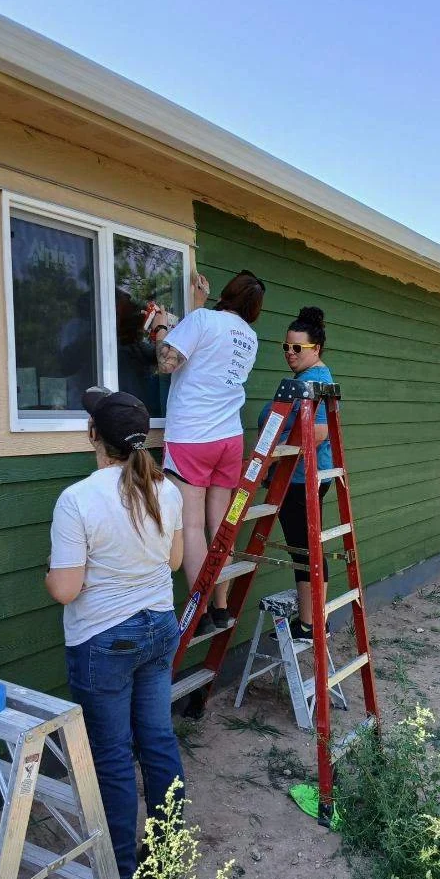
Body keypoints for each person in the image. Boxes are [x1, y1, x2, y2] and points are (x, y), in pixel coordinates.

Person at [44, 387, 184, 879]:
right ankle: (166, 858)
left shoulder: (77, 499)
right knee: (158, 741)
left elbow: (65, 589)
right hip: (158, 629)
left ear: (93, 437)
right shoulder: (164, 489)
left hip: (105, 642)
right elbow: (172, 563)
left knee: (113, 760)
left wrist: (50, 574)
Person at [148, 270, 265, 634]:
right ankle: (219, 607)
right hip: (229, 438)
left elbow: (167, 363)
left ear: (227, 294)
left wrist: (162, 329)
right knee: (221, 527)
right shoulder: (249, 336)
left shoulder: (202, 321)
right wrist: (197, 308)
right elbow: (213, 351)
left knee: (194, 527)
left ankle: (196, 612)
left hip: (192, 438)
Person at [258, 306, 334, 639]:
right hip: (297, 476)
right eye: (286, 347)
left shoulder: (313, 380)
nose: (290, 353)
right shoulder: (308, 377)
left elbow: (318, 432)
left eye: (297, 348)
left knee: (304, 550)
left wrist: (273, 458)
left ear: (315, 348)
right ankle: (313, 619)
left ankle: (311, 623)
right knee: (304, 548)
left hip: (300, 477)